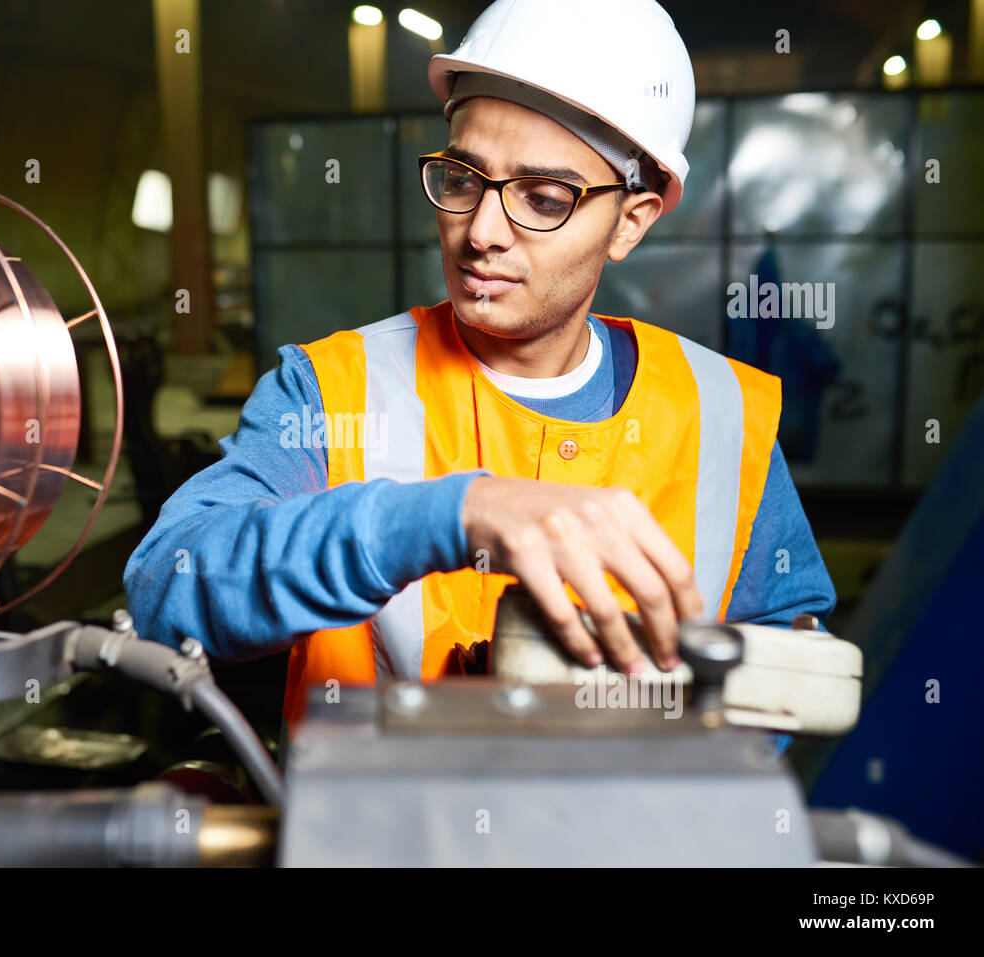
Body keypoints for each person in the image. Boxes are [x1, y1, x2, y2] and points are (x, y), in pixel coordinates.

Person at [123, 0, 836, 733]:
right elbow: (165, 588)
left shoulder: (718, 413)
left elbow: (785, 648)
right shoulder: (334, 389)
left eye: (544, 198)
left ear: (632, 220)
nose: (482, 232)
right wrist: (451, 515)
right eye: (462, 178)